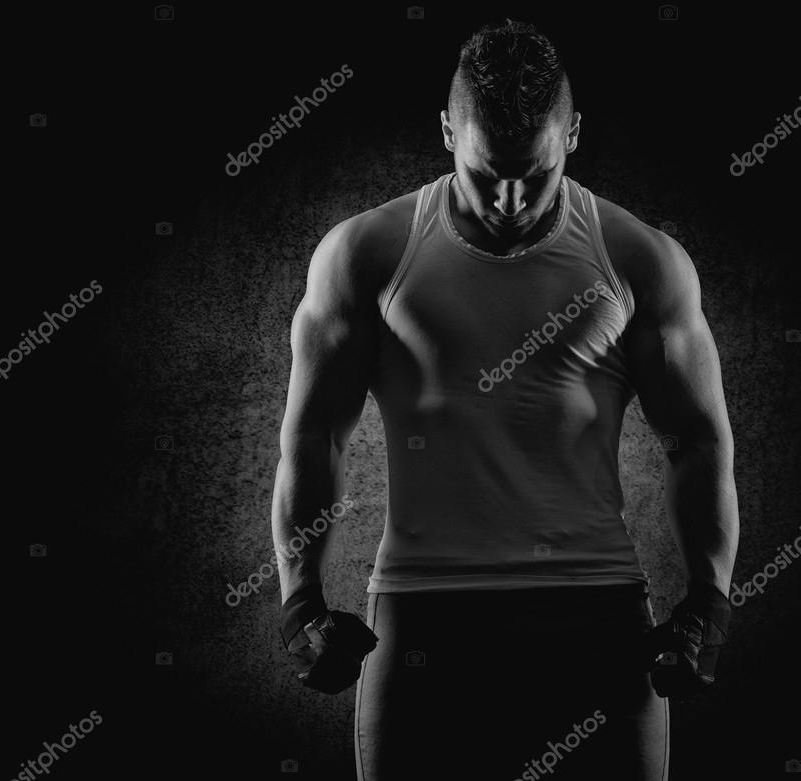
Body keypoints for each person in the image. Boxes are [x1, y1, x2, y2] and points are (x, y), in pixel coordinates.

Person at [271, 18, 739, 781]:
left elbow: (696, 437)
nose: (512, 198)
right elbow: (313, 434)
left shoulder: (637, 257)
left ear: (574, 136)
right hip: (425, 614)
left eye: (536, 173)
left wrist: (708, 600)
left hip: (593, 611)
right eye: (488, 175)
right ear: (448, 132)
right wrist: (299, 604)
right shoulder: (368, 252)